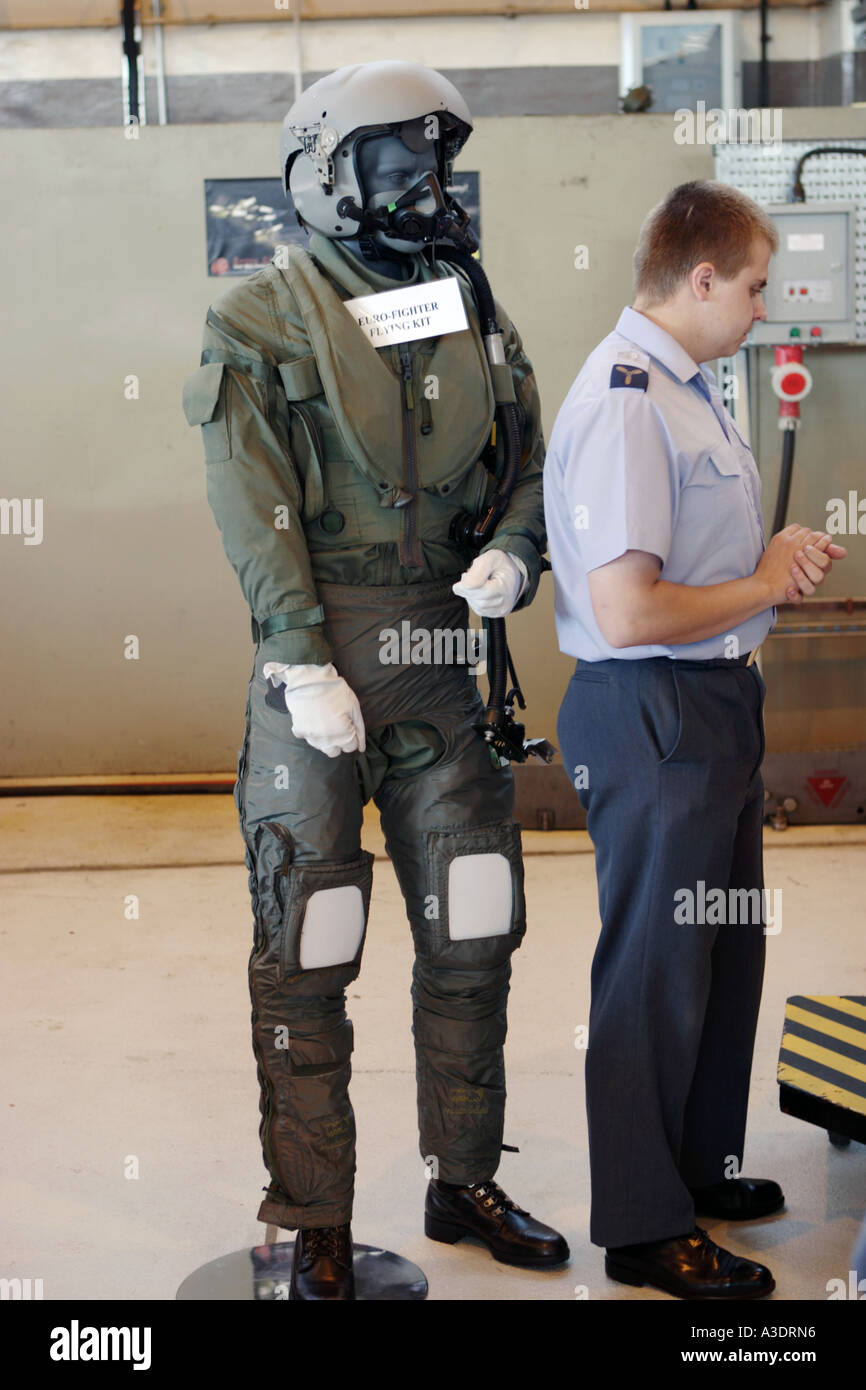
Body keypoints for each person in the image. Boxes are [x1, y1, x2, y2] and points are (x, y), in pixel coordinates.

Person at [183, 59, 568, 1301]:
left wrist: (514, 552)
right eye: (395, 162)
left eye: (433, 163)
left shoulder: (463, 305)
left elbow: (524, 451)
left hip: (443, 664)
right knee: (310, 945)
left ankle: (461, 1176)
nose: (424, 188)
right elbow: (250, 504)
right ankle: (314, 1219)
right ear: (325, 174)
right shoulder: (259, 320)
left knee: (471, 924)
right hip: (319, 671)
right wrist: (295, 655)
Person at [543, 180, 846, 1300]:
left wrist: (768, 557)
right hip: (653, 708)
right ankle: (639, 1220)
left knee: (722, 953)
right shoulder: (627, 400)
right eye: (756, 284)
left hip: (710, 701)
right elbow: (625, 612)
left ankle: (702, 1166)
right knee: (655, 968)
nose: (763, 306)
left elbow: (689, 560)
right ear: (701, 277)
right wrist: (760, 579)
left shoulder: (687, 387)